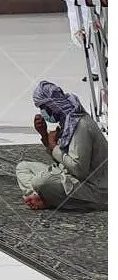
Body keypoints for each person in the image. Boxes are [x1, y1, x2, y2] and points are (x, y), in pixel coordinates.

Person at [16, 81, 108, 212]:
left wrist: (53, 147)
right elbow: (63, 162)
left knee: (41, 182)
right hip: (72, 176)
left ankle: (45, 198)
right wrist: (44, 135)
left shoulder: (80, 125)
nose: (43, 112)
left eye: (44, 107)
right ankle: (40, 197)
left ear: (52, 105)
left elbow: (79, 170)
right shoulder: (67, 122)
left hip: (95, 186)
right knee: (23, 167)